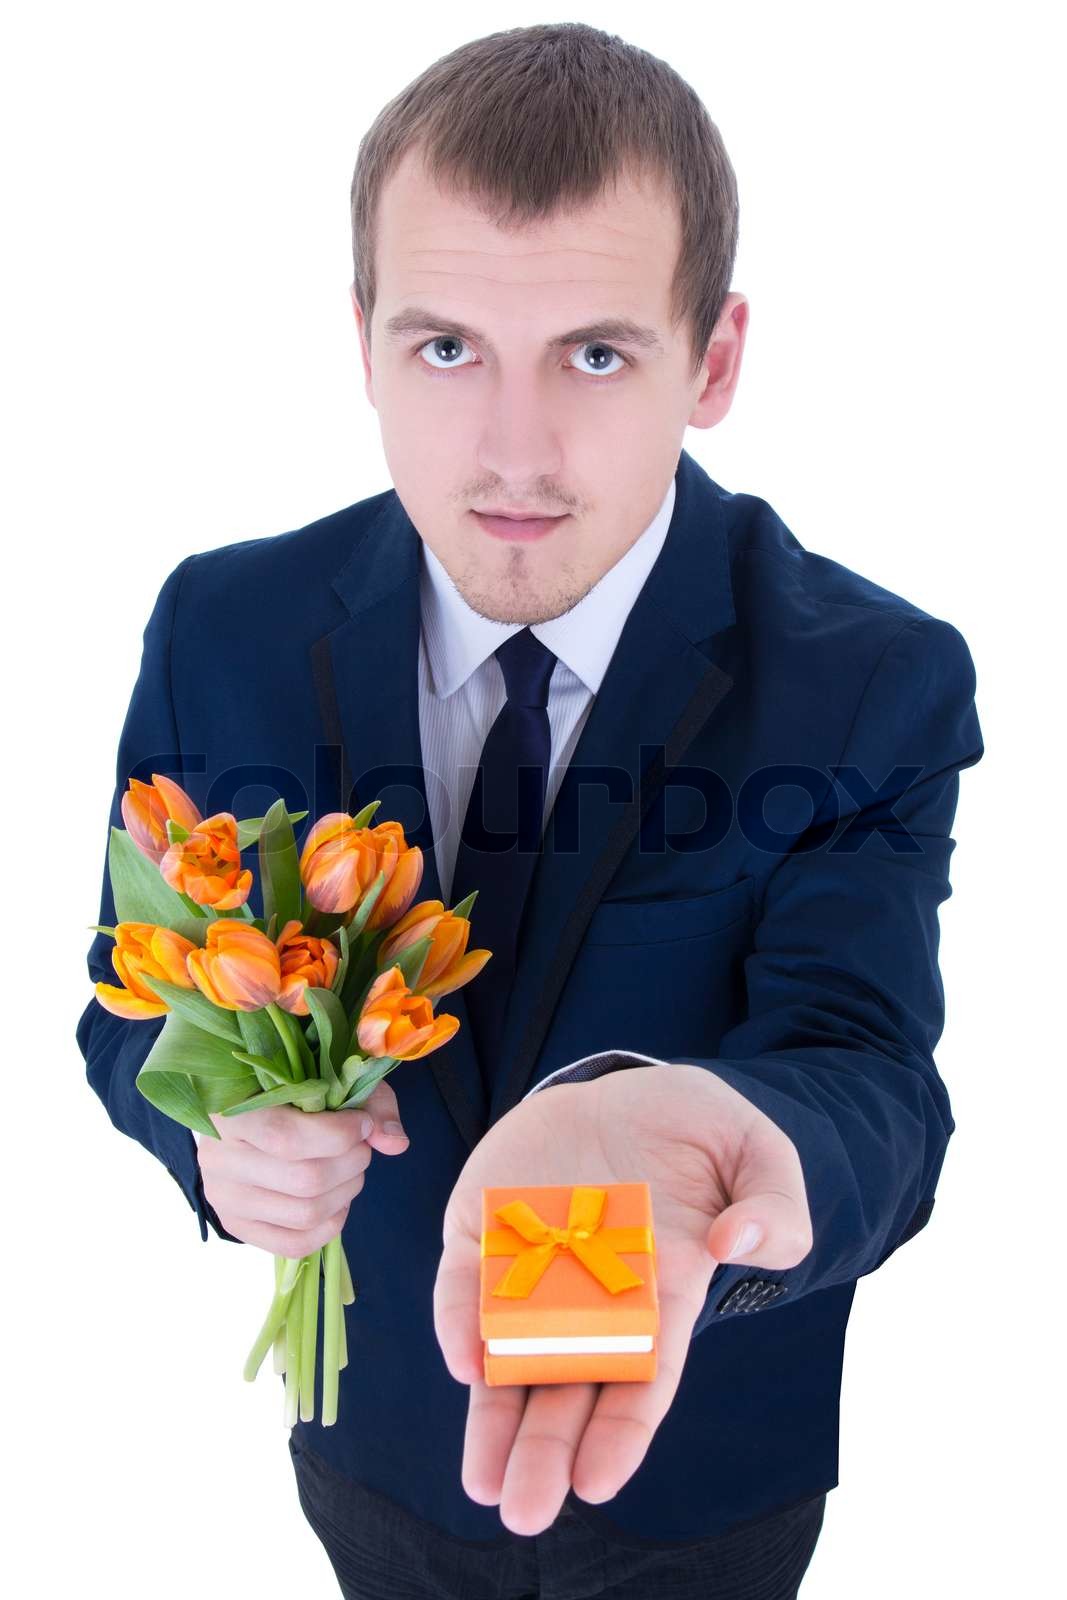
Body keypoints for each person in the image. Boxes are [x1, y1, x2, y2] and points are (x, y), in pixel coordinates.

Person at [76, 22, 984, 1600]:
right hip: (376, 1449)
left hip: (700, 1478)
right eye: (446, 349)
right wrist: (214, 1138)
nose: (513, 452)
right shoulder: (222, 628)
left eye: (595, 355)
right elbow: (128, 998)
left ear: (713, 362)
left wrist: (732, 1140)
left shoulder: (872, 678)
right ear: (363, 342)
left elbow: (872, 1082)